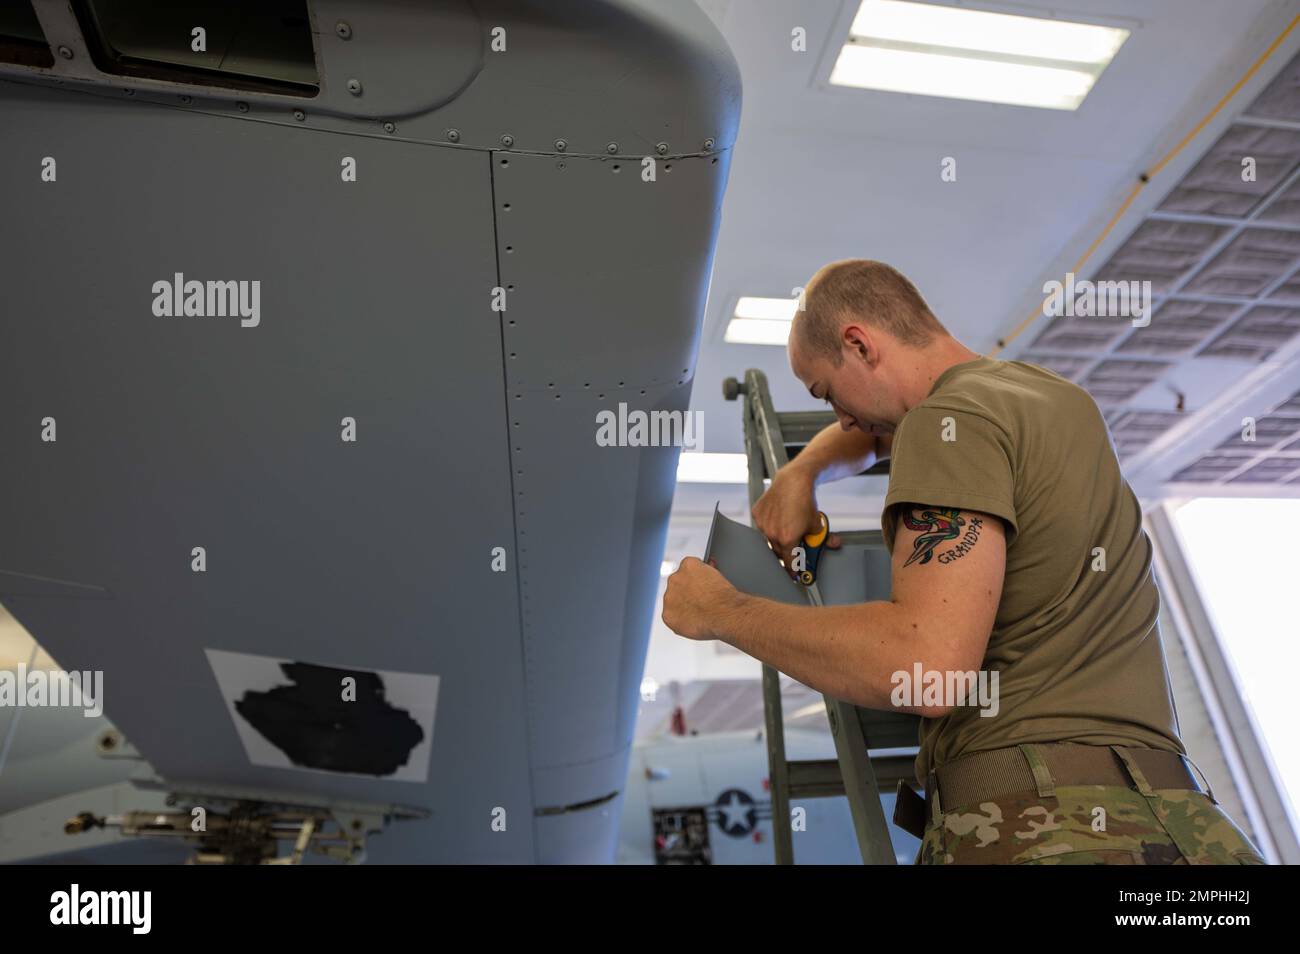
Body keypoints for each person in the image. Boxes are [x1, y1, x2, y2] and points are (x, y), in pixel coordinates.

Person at [661, 259, 1265, 865]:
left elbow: (925, 662)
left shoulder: (942, 423)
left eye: (826, 392)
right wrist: (803, 470)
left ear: (858, 343)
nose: (839, 418)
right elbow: (878, 430)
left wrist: (724, 612)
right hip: (1186, 829)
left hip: (1046, 829)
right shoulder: (1051, 399)